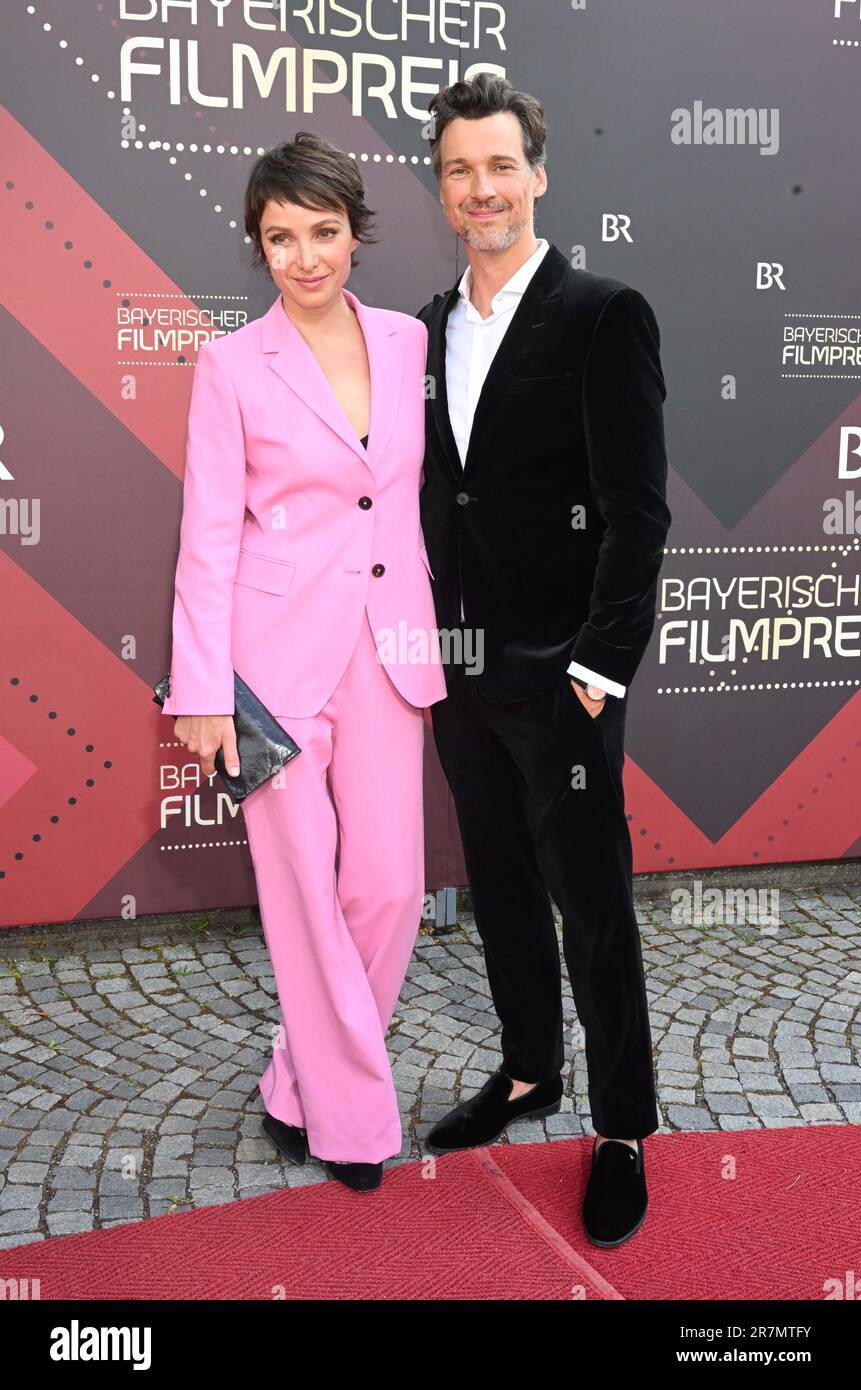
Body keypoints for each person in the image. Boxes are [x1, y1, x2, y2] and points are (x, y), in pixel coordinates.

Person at [161, 132, 447, 1192]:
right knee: (299, 897)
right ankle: (352, 1120)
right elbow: (209, 536)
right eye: (281, 237)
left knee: (385, 888)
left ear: (355, 235)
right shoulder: (233, 365)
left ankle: (294, 1080)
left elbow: (411, 496)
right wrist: (200, 690)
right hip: (270, 668)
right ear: (259, 245)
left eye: (323, 232)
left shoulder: (409, 345)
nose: (305, 256)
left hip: (389, 650)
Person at [416, 75, 672, 1246]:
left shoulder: (603, 310)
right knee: (501, 885)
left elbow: (637, 512)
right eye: (461, 169)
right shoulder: (422, 329)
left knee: (591, 902)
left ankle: (622, 1125)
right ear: (443, 186)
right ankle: (529, 1070)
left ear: (539, 174)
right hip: (460, 668)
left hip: (564, 674)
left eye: (501, 165)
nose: (484, 189)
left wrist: (598, 667)